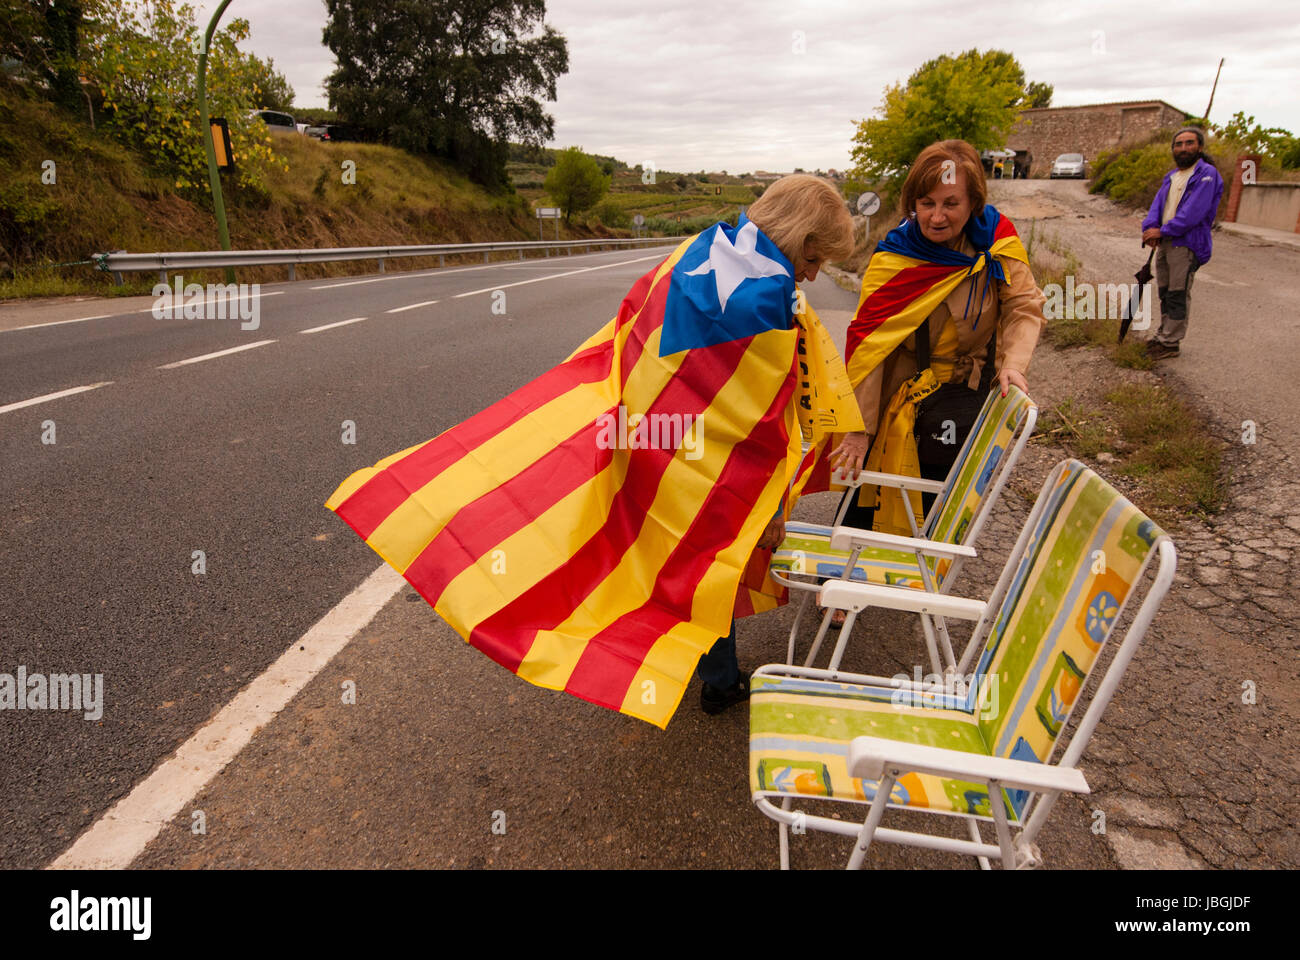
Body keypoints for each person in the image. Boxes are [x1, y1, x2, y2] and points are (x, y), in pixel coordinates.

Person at [828, 139, 1046, 543]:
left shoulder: (996, 245)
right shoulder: (895, 256)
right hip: (900, 394)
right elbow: (869, 349)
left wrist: (1013, 363)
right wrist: (859, 429)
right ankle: (845, 581)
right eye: (926, 203)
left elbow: (1023, 305)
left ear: (974, 202)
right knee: (872, 487)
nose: (938, 217)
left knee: (939, 494)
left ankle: (915, 575)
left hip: (966, 390)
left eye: (951, 203)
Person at [695, 174, 855, 713]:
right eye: (817, 261)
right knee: (713, 563)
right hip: (718, 455)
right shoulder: (766, 297)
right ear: (802, 239)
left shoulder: (709, 247)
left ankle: (704, 671)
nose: (812, 275)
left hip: (667, 437)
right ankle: (717, 681)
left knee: (683, 556)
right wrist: (767, 507)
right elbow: (760, 417)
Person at [1140, 127, 1224, 360]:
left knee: (1178, 292)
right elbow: (1157, 207)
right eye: (1179, 144)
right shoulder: (1172, 177)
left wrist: (1163, 230)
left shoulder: (1207, 175)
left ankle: (1170, 343)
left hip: (1185, 243)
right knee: (1165, 291)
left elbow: (1193, 213)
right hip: (1166, 243)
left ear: (1199, 147)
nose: (1183, 148)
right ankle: (1163, 335)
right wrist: (1149, 229)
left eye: (1189, 143)